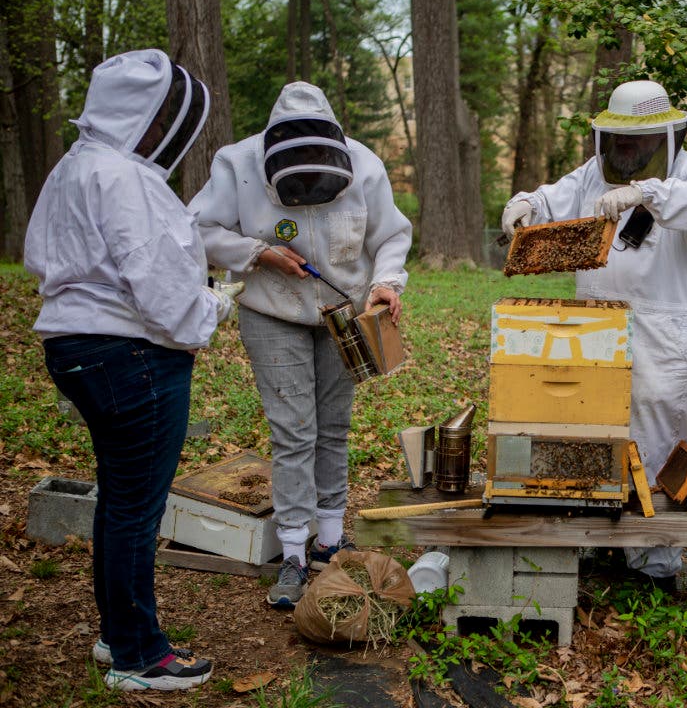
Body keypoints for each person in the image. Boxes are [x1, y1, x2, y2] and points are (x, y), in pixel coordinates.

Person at [25, 49, 230, 691]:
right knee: (137, 509)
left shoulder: (74, 166)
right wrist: (213, 307)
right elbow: (163, 290)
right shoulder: (125, 179)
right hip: (133, 356)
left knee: (118, 501)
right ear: (144, 113)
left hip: (77, 348)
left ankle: (119, 635)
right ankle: (142, 656)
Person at [189, 82, 412, 608]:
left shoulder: (366, 163)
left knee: (334, 426)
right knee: (293, 432)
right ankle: (292, 550)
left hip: (345, 312)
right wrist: (257, 252)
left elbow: (391, 235)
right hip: (273, 311)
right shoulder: (236, 161)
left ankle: (329, 543)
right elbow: (198, 225)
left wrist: (387, 283)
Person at [501, 80, 687, 589]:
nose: (624, 150)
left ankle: (654, 560)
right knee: (593, 429)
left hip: (662, 333)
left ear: (666, 136)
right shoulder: (593, 174)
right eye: (617, 140)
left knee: (657, 435)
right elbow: (550, 199)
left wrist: (645, 192)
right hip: (597, 326)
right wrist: (524, 208)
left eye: (635, 141)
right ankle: (595, 535)